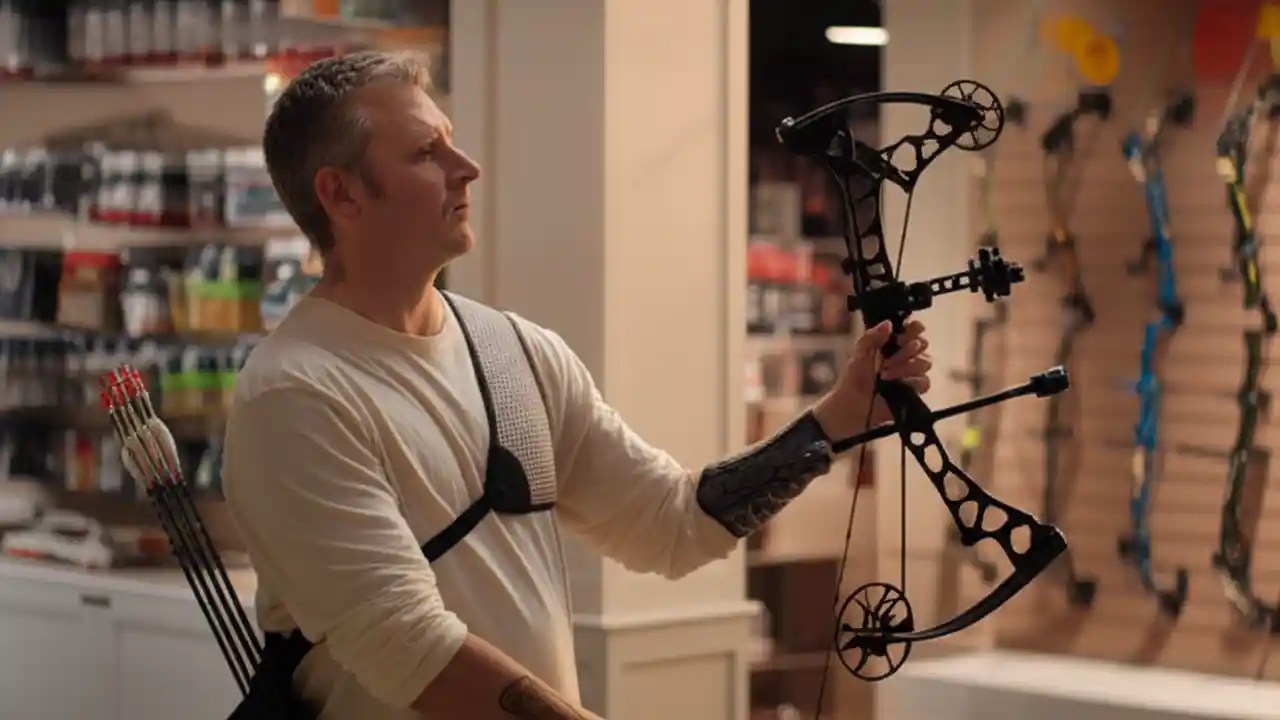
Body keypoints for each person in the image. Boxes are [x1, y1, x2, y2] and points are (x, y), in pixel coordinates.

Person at [221, 49, 934, 720]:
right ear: (340, 194)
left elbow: (672, 524)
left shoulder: (515, 353)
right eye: (424, 153)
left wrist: (836, 420)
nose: (466, 167)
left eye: (451, 141)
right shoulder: (296, 395)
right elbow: (407, 645)